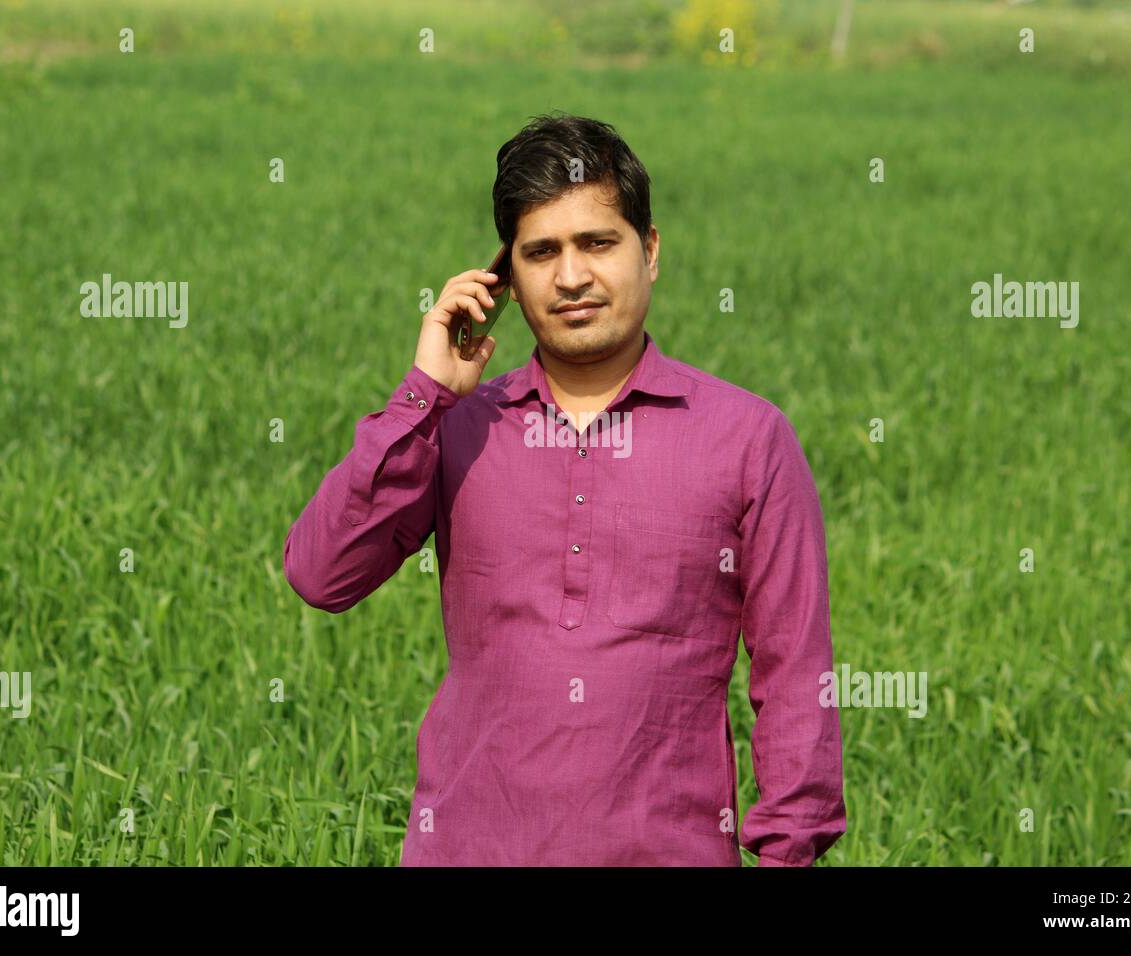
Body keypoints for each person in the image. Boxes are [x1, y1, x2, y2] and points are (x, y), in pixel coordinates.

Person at [283, 112, 846, 866]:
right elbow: (321, 575)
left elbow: (795, 675)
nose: (571, 276)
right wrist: (424, 394)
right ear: (505, 278)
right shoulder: (457, 428)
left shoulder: (747, 437)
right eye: (540, 252)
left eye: (598, 243)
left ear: (650, 252)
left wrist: (785, 857)